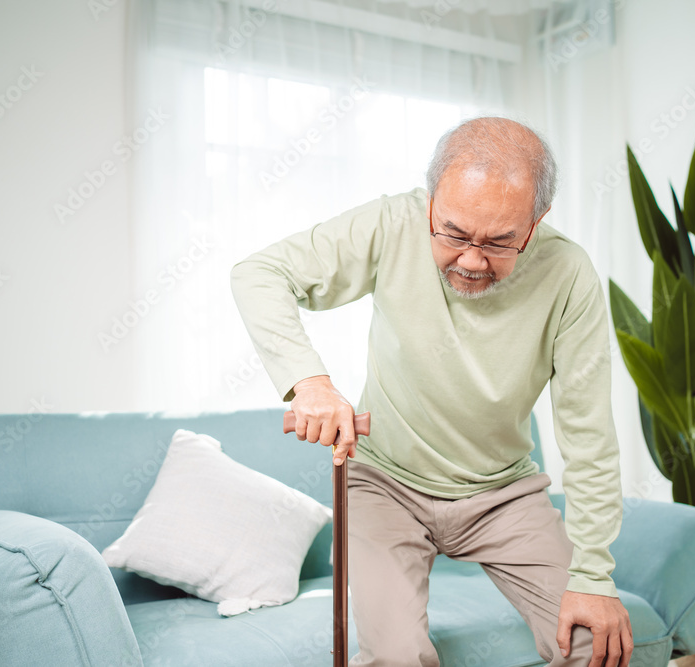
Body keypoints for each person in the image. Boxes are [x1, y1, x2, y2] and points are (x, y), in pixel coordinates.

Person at [230, 116, 632, 667]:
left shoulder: (569, 275)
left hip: (503, 495)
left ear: (536, 224)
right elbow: (261, 273)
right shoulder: (393, 222)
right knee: (396, 656)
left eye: (499, 242)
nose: (471, 260)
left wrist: (594, 576)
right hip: (384, 485)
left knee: (594, 646)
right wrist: (310, 383)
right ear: (431, 201)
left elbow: (589, 439)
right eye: (454, 233)